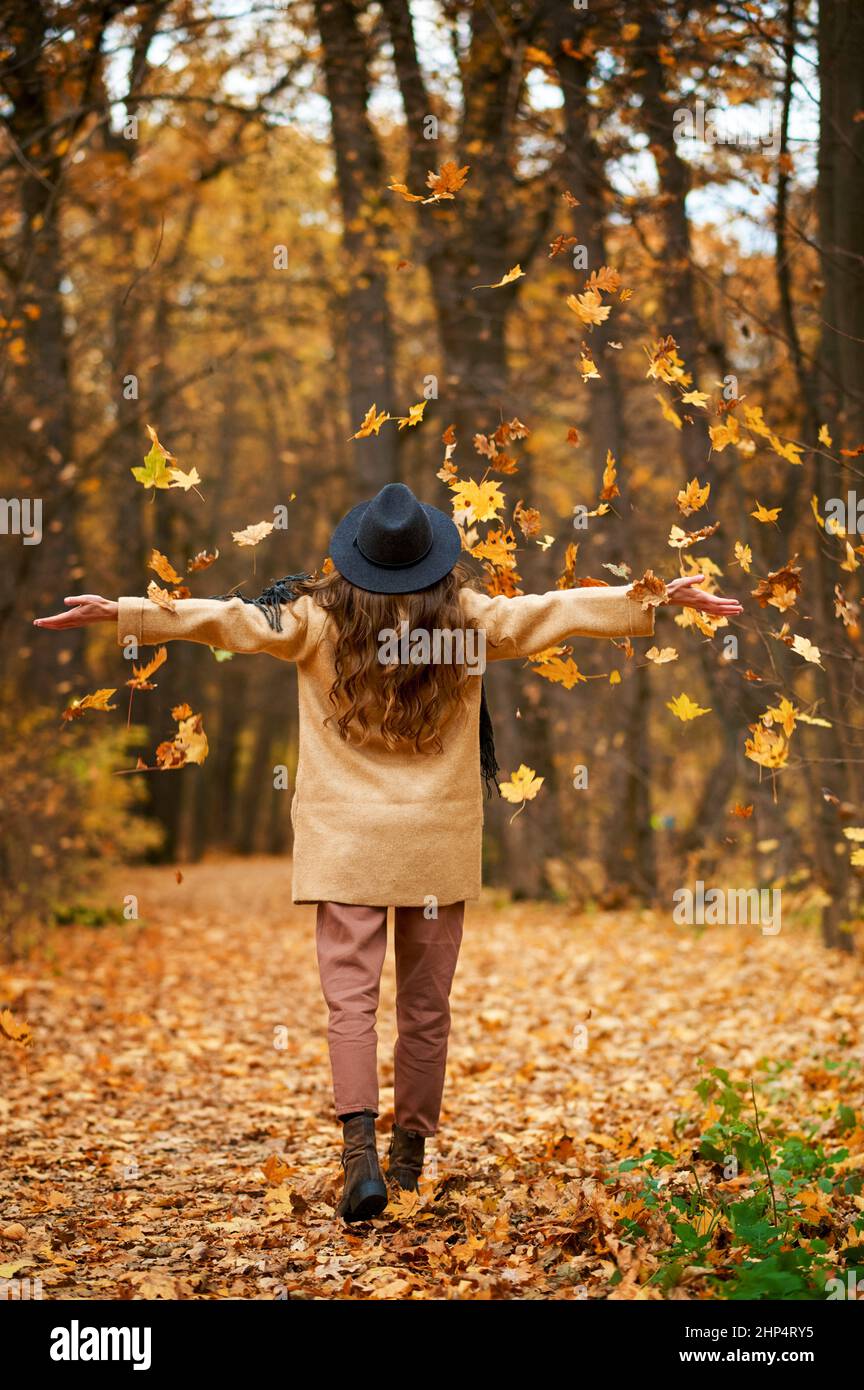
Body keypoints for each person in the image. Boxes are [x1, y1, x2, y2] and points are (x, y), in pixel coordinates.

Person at [34, 482, 743, 1222]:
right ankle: (408, 1161)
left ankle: (359, 1159)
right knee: (425, 1007)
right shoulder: (467, 621)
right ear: (434, 561)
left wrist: (128, 613)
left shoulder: (315, 620)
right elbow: (554, 611)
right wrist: (653, 597)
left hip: (346, 847)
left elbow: (232, 623)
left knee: (351, 1003)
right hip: (435, 845)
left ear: (357, 560)